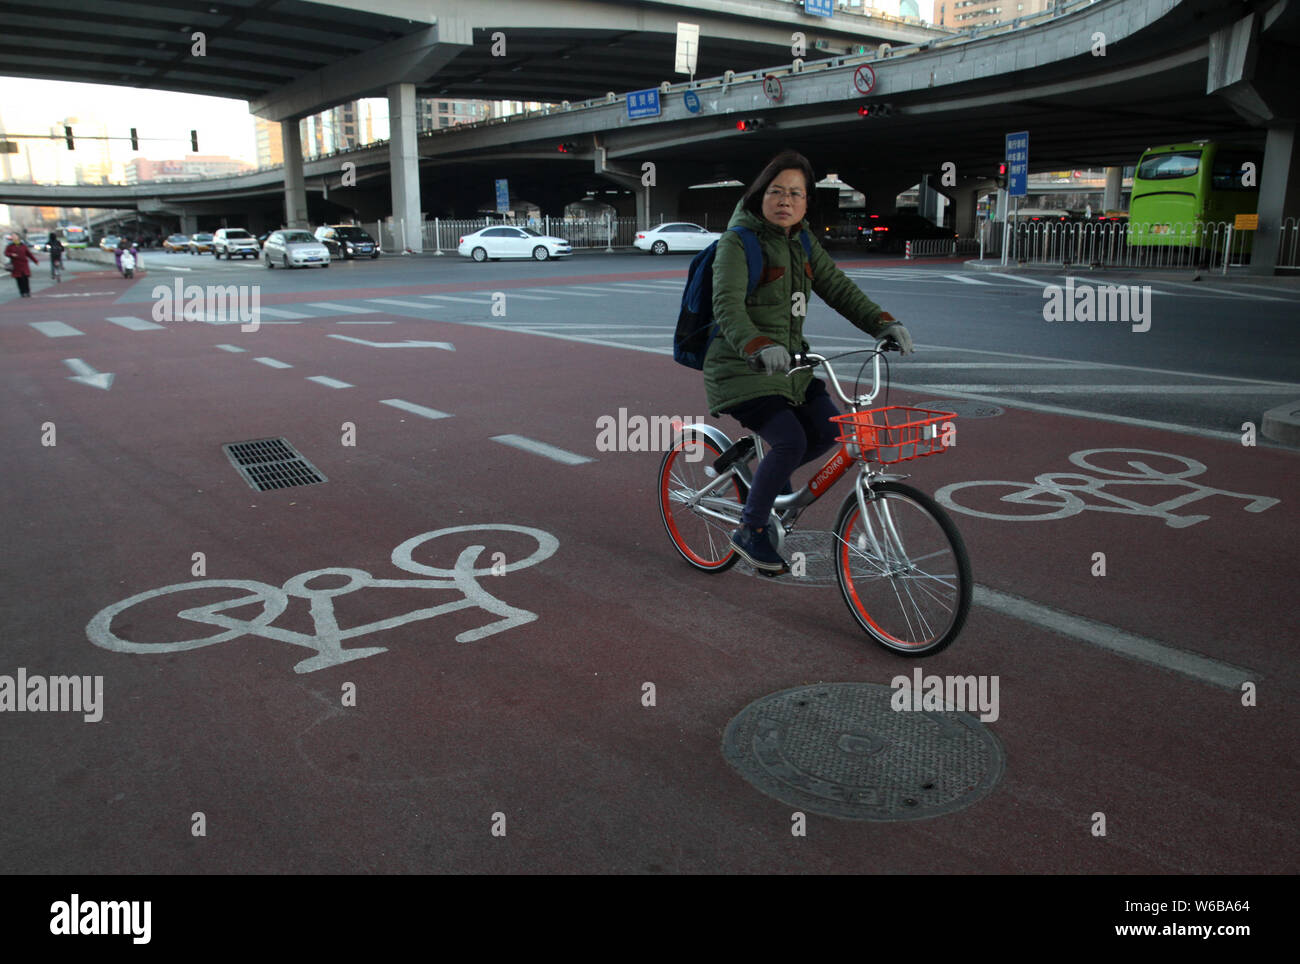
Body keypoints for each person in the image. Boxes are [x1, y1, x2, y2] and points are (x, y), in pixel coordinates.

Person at [706, 150, 914, 574]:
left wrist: (882, 324)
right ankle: (750, 529)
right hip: (743, 366)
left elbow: (839, 288)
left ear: (805, 203)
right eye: (777, 191)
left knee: (827, 432)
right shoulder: (738, 242)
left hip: (792, 368)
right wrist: (757, 345)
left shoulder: (802, 240)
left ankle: (762, 477)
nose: (786, 201)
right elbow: (727, 305)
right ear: (760, 194)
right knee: (790, 441)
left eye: (796, 194)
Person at [4, 234, 38, 298]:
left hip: (24, 265)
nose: (13, 237)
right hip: (16, 265)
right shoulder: (10, 246)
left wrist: (35, 261)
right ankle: (22, 292)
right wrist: (11, 254)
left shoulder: (23, 245)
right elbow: (6, 253)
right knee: (19, 279)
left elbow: (29, 254)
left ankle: (27, 292)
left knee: (25, 279)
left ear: (18, 237)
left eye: (15, 236)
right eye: (12, 236)